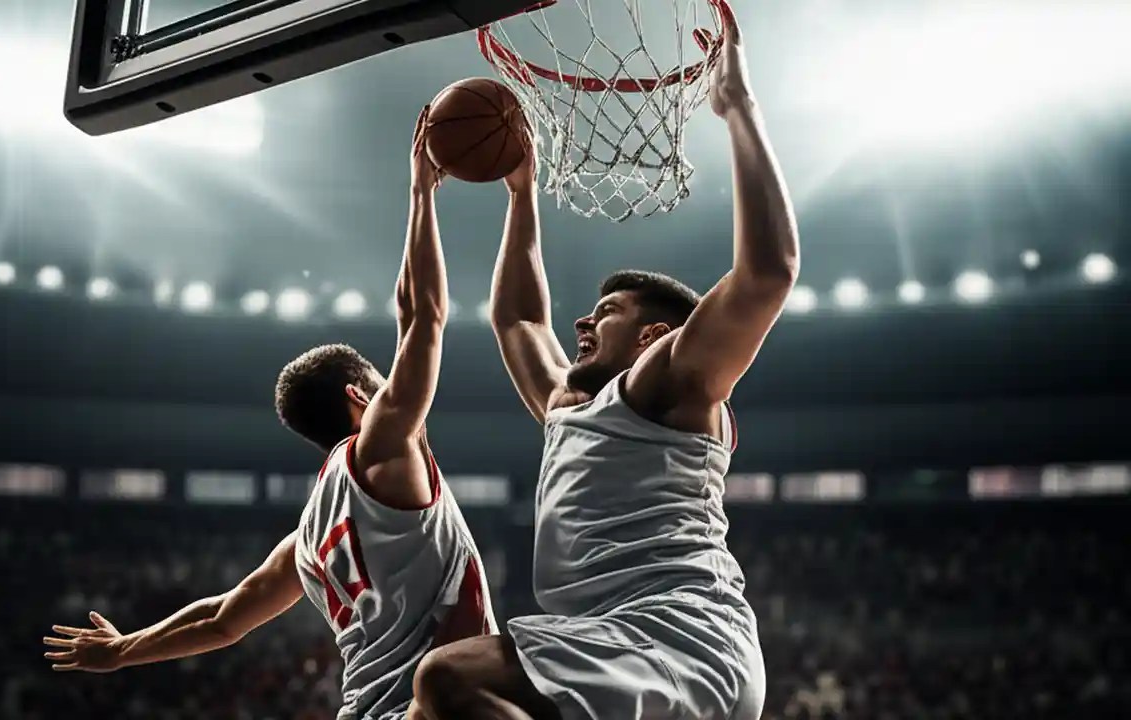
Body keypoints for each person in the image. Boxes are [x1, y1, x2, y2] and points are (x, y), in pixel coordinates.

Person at [42, 107, 497, 720]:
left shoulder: (309, 535)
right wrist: (420, 192)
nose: (396, 390)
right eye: (381, 383)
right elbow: (422, 318)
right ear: (360, 399)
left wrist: (125, 649)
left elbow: (225, 619)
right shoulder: (384, 447)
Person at [410, 2, 797, 718]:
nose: (583, 321)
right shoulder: (571, 406)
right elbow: (519, 318)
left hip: (685, 640)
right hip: (616, 640)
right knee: (432, 700)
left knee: (448, 679)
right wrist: (520, 193)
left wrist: (737, 107)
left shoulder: (669, 385)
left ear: (654, 338)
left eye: (608, 312)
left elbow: (769, 272)